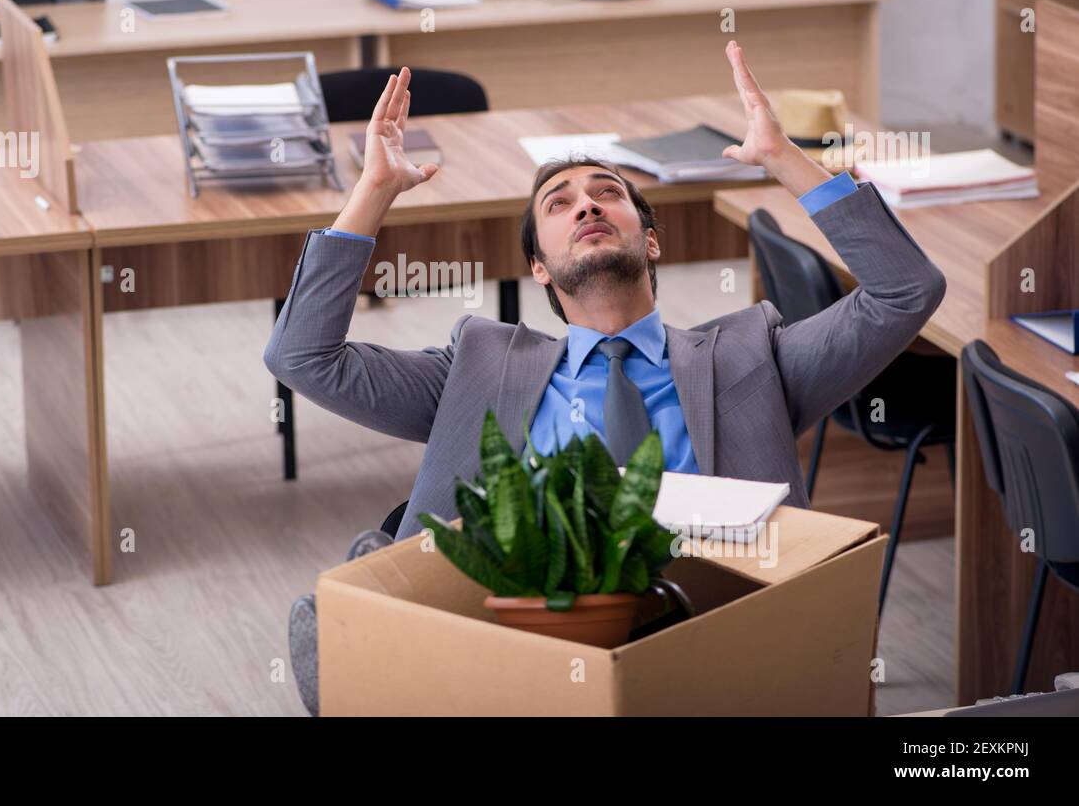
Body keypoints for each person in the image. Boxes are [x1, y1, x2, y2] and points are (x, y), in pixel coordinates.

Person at [264, 42, 946, 714]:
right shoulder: (479, 361)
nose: (586, 206)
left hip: (702, 633)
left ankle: (367, 659)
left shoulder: (750, 355)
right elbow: (303, 357)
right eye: (559, 204)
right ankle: (372, 651)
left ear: (650, 240)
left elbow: (905, 291)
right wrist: (374, 190)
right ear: (539, 267)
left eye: (608, 194)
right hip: (515, 636)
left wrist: (787, 162)